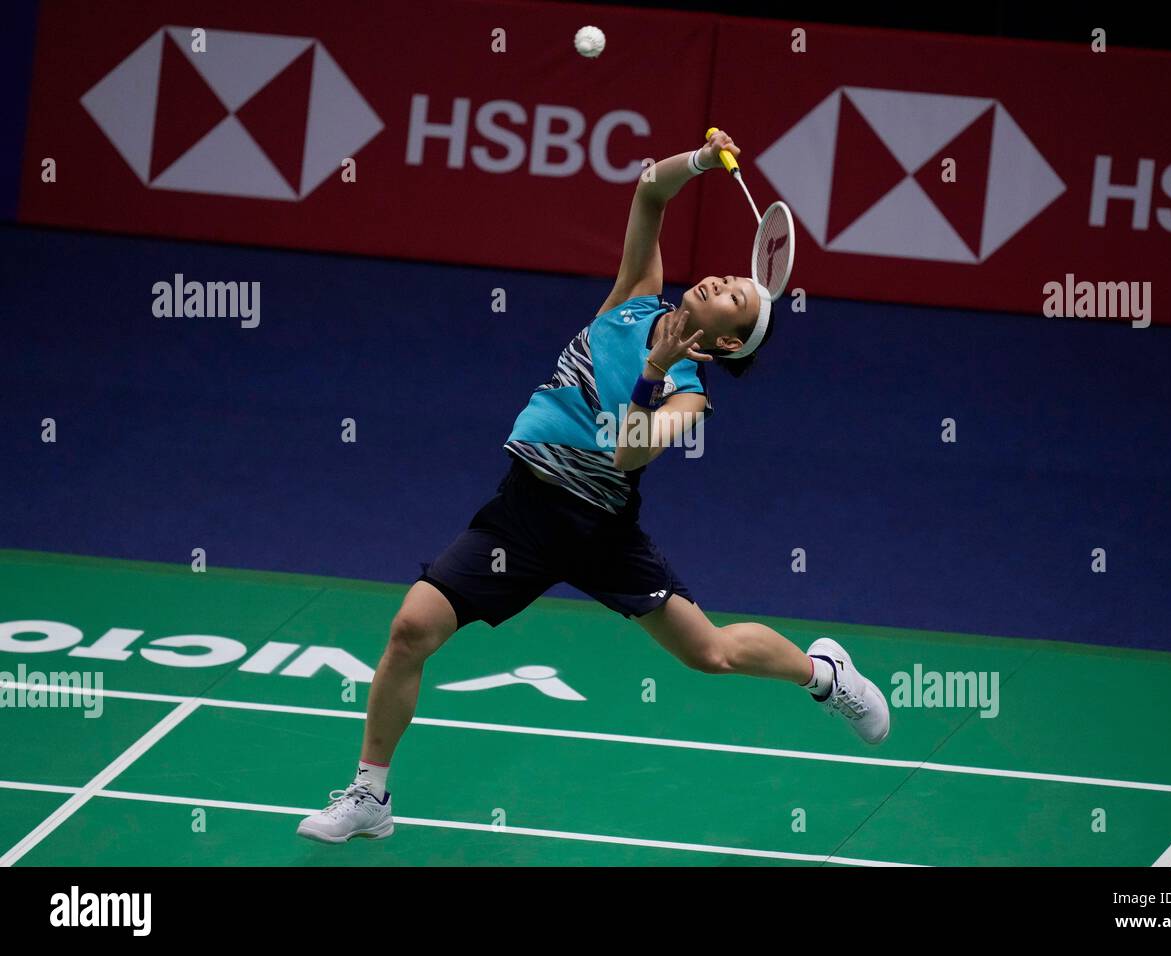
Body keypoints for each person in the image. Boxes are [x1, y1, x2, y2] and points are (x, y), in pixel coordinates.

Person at [296, 130, 889, 844]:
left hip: (599, 531)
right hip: (522, 512)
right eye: (727, 276)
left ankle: (824, 674)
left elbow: (629, 456)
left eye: (732, 294)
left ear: (728, 341)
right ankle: (370, 796)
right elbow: (649, 191)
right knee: (410, 629)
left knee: (711, 654)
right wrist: (700, 161)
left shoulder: (689, 394)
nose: (717, 281)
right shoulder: (635, 296)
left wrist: (650, 377)